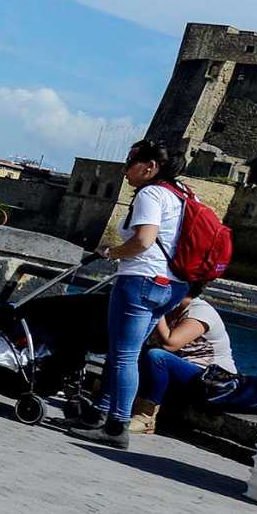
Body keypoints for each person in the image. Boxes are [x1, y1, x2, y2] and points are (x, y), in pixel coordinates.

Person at [72, 136, 189, 450]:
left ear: (150, 167)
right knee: (126, 351)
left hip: (141, 280)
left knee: (123, 355)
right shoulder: (181, 195)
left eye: (130, 163)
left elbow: (144, 241)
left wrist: (112, 253)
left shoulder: (151, 194)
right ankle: (99, 414)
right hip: (172, 285)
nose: (125, 170)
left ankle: (116, 426)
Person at [136, 290, 236, 432]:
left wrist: (157, 310)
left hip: (212, 379)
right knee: (134, 351)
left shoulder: (200, 312)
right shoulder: (172, 310)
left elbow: (170, 344)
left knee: (157, 357)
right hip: (187, 372)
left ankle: (146, 418)